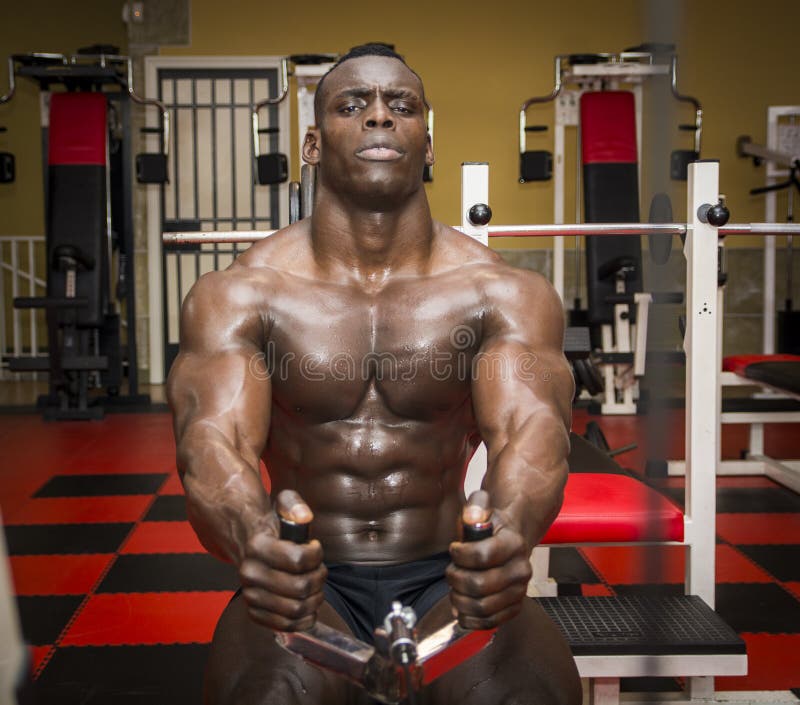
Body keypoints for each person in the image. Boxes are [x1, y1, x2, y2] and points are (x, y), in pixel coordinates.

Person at [168, 43, 582, 705]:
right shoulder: (242, 294)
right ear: (312, 142)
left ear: (429, 142)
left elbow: (532, 431)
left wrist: (507, 533)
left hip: (451, 580)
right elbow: (212, 445)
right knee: (270, 696)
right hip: (306, 585)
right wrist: (257, 541)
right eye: (352, 105)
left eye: (402, 106)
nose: (381, 118)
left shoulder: (501, 292)